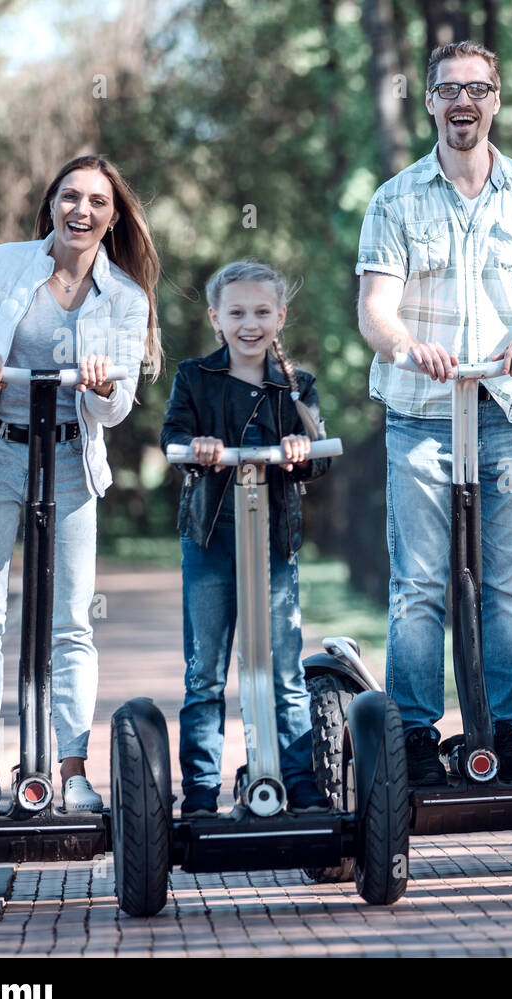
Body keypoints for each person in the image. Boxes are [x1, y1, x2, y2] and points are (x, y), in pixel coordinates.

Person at [355, 40, 512, 786]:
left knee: (505, 580)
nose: (463, 102)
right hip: (422, 410)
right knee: (421, 581)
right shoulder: (395, 198)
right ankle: (416, 738)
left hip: (508, 408)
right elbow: (375, 311)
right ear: (428, 102)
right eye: (449, 89)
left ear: (496, 99)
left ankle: (499, 731)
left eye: (477, 89)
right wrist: (407, 346)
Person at [0, 154, 163, 813]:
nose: (81, 210)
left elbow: (115, 407)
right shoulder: (4, 264)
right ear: (52, 203)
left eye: (96, 201)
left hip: (69, 459)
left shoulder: (124, 297)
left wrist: (99, 388)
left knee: (71, 621)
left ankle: (72, 770)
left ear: (113, 215)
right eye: (70, 196)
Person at [160, 260, 330, 816]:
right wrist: (197, 447)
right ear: (217, 318)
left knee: (283, 669)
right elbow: (173, 436)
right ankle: (202, 794)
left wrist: (302, 452)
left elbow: (318, 456)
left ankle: (302, 786)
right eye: (237, 313)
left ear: (280, 317)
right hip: (211, 540)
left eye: (261, 312)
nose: (249, 323)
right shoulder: (194, 377)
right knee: (205, 671)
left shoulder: (297, 385)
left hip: (274, 543)